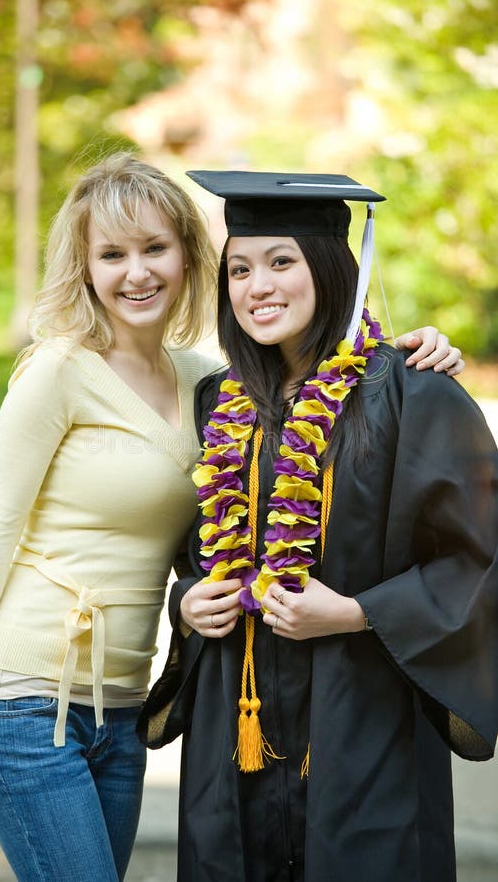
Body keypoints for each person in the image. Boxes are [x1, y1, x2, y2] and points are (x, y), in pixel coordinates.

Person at [0, 152, 462, 882]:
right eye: (112, 254)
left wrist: (417, 348)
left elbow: (203, 535)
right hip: (36, 698)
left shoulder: (212, 386)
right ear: (85, 267)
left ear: (185, 255)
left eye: (154, 248)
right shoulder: (71, 373)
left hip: (134, 707)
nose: (136, 272)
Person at [138, 171, 498, 882]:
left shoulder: (413, 395)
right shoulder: (219, 403)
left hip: (362, 717)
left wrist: (358, 612)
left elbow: (477, 558)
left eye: (281, 262)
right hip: (233, 723)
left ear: (328, 269)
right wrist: (188, 601)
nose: (257, 286)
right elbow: (197, 547)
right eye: (239, 268)